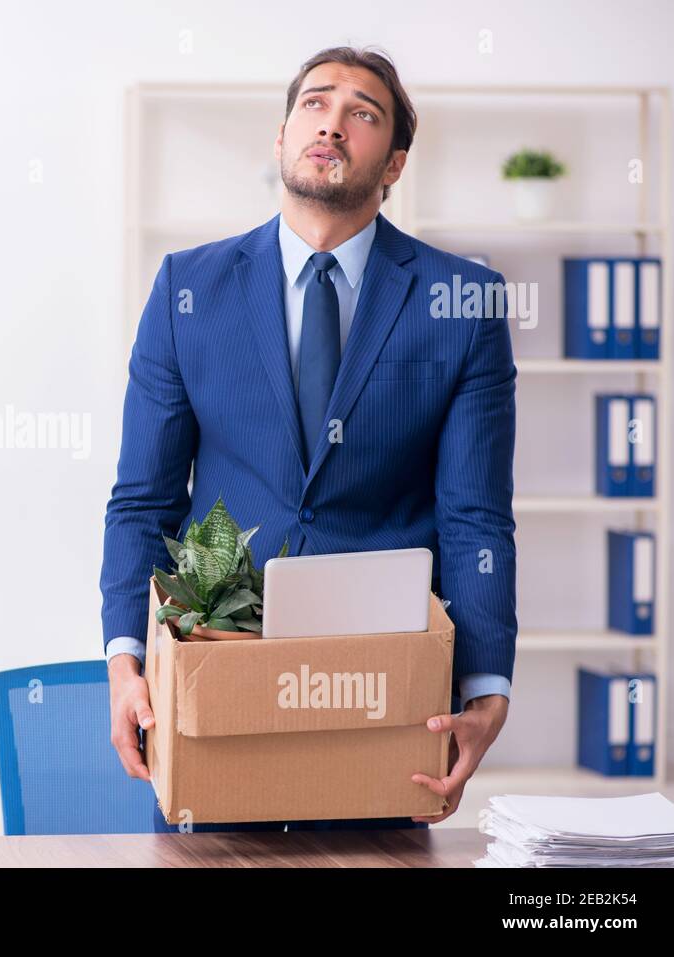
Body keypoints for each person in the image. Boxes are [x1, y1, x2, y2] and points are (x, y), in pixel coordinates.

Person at [100, 45, 515, 831]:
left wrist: (487, 687)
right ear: (282, 136)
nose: (332, 123)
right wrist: (127, 659)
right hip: (219, 683)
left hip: (383, 699)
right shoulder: (188, 289)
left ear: (392, 163)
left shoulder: (464, 302)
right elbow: (142, 503)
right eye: (315, 104)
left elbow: (476, 517)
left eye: (362, 113)